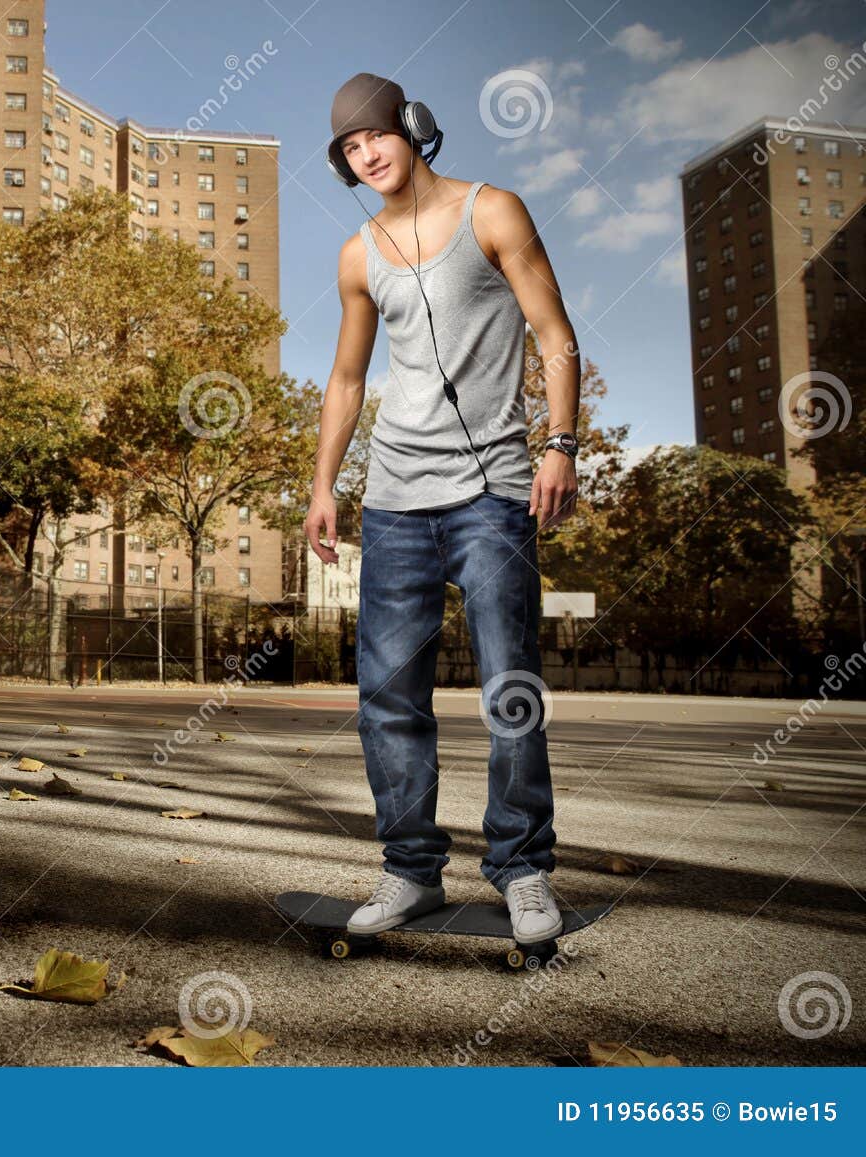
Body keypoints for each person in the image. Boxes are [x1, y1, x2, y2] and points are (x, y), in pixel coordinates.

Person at [303, 73, 580, 943]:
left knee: (509, 688)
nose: (368, 154)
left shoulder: (493, 212)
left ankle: (524, 869)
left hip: (493, 489)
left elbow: (555, 334)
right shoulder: (358, 254)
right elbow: (347, 379)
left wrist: (561, 444)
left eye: (375, 135)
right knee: (388, 695)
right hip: (393, 501)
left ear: (412, 127)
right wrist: (321, 486)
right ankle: (409, 870)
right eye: (350, 148)